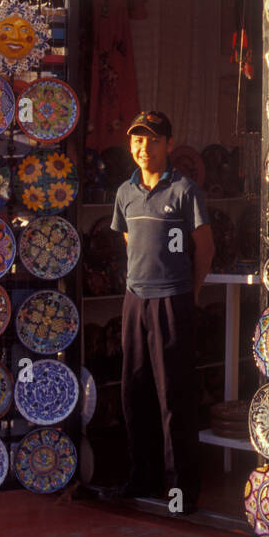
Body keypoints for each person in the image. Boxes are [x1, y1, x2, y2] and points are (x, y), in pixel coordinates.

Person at [109, 110, 214, 510]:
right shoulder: (125, 193)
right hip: (136, 301)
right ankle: (142, 478)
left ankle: (179, 493)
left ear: (169, 144)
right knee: (134, 393)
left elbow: (204, 249)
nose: (144, 147)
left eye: (153, 140)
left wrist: (191, 293)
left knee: (174, 399)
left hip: (173, 300)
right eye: (137, 139)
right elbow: (129, 241)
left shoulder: (185, 190)